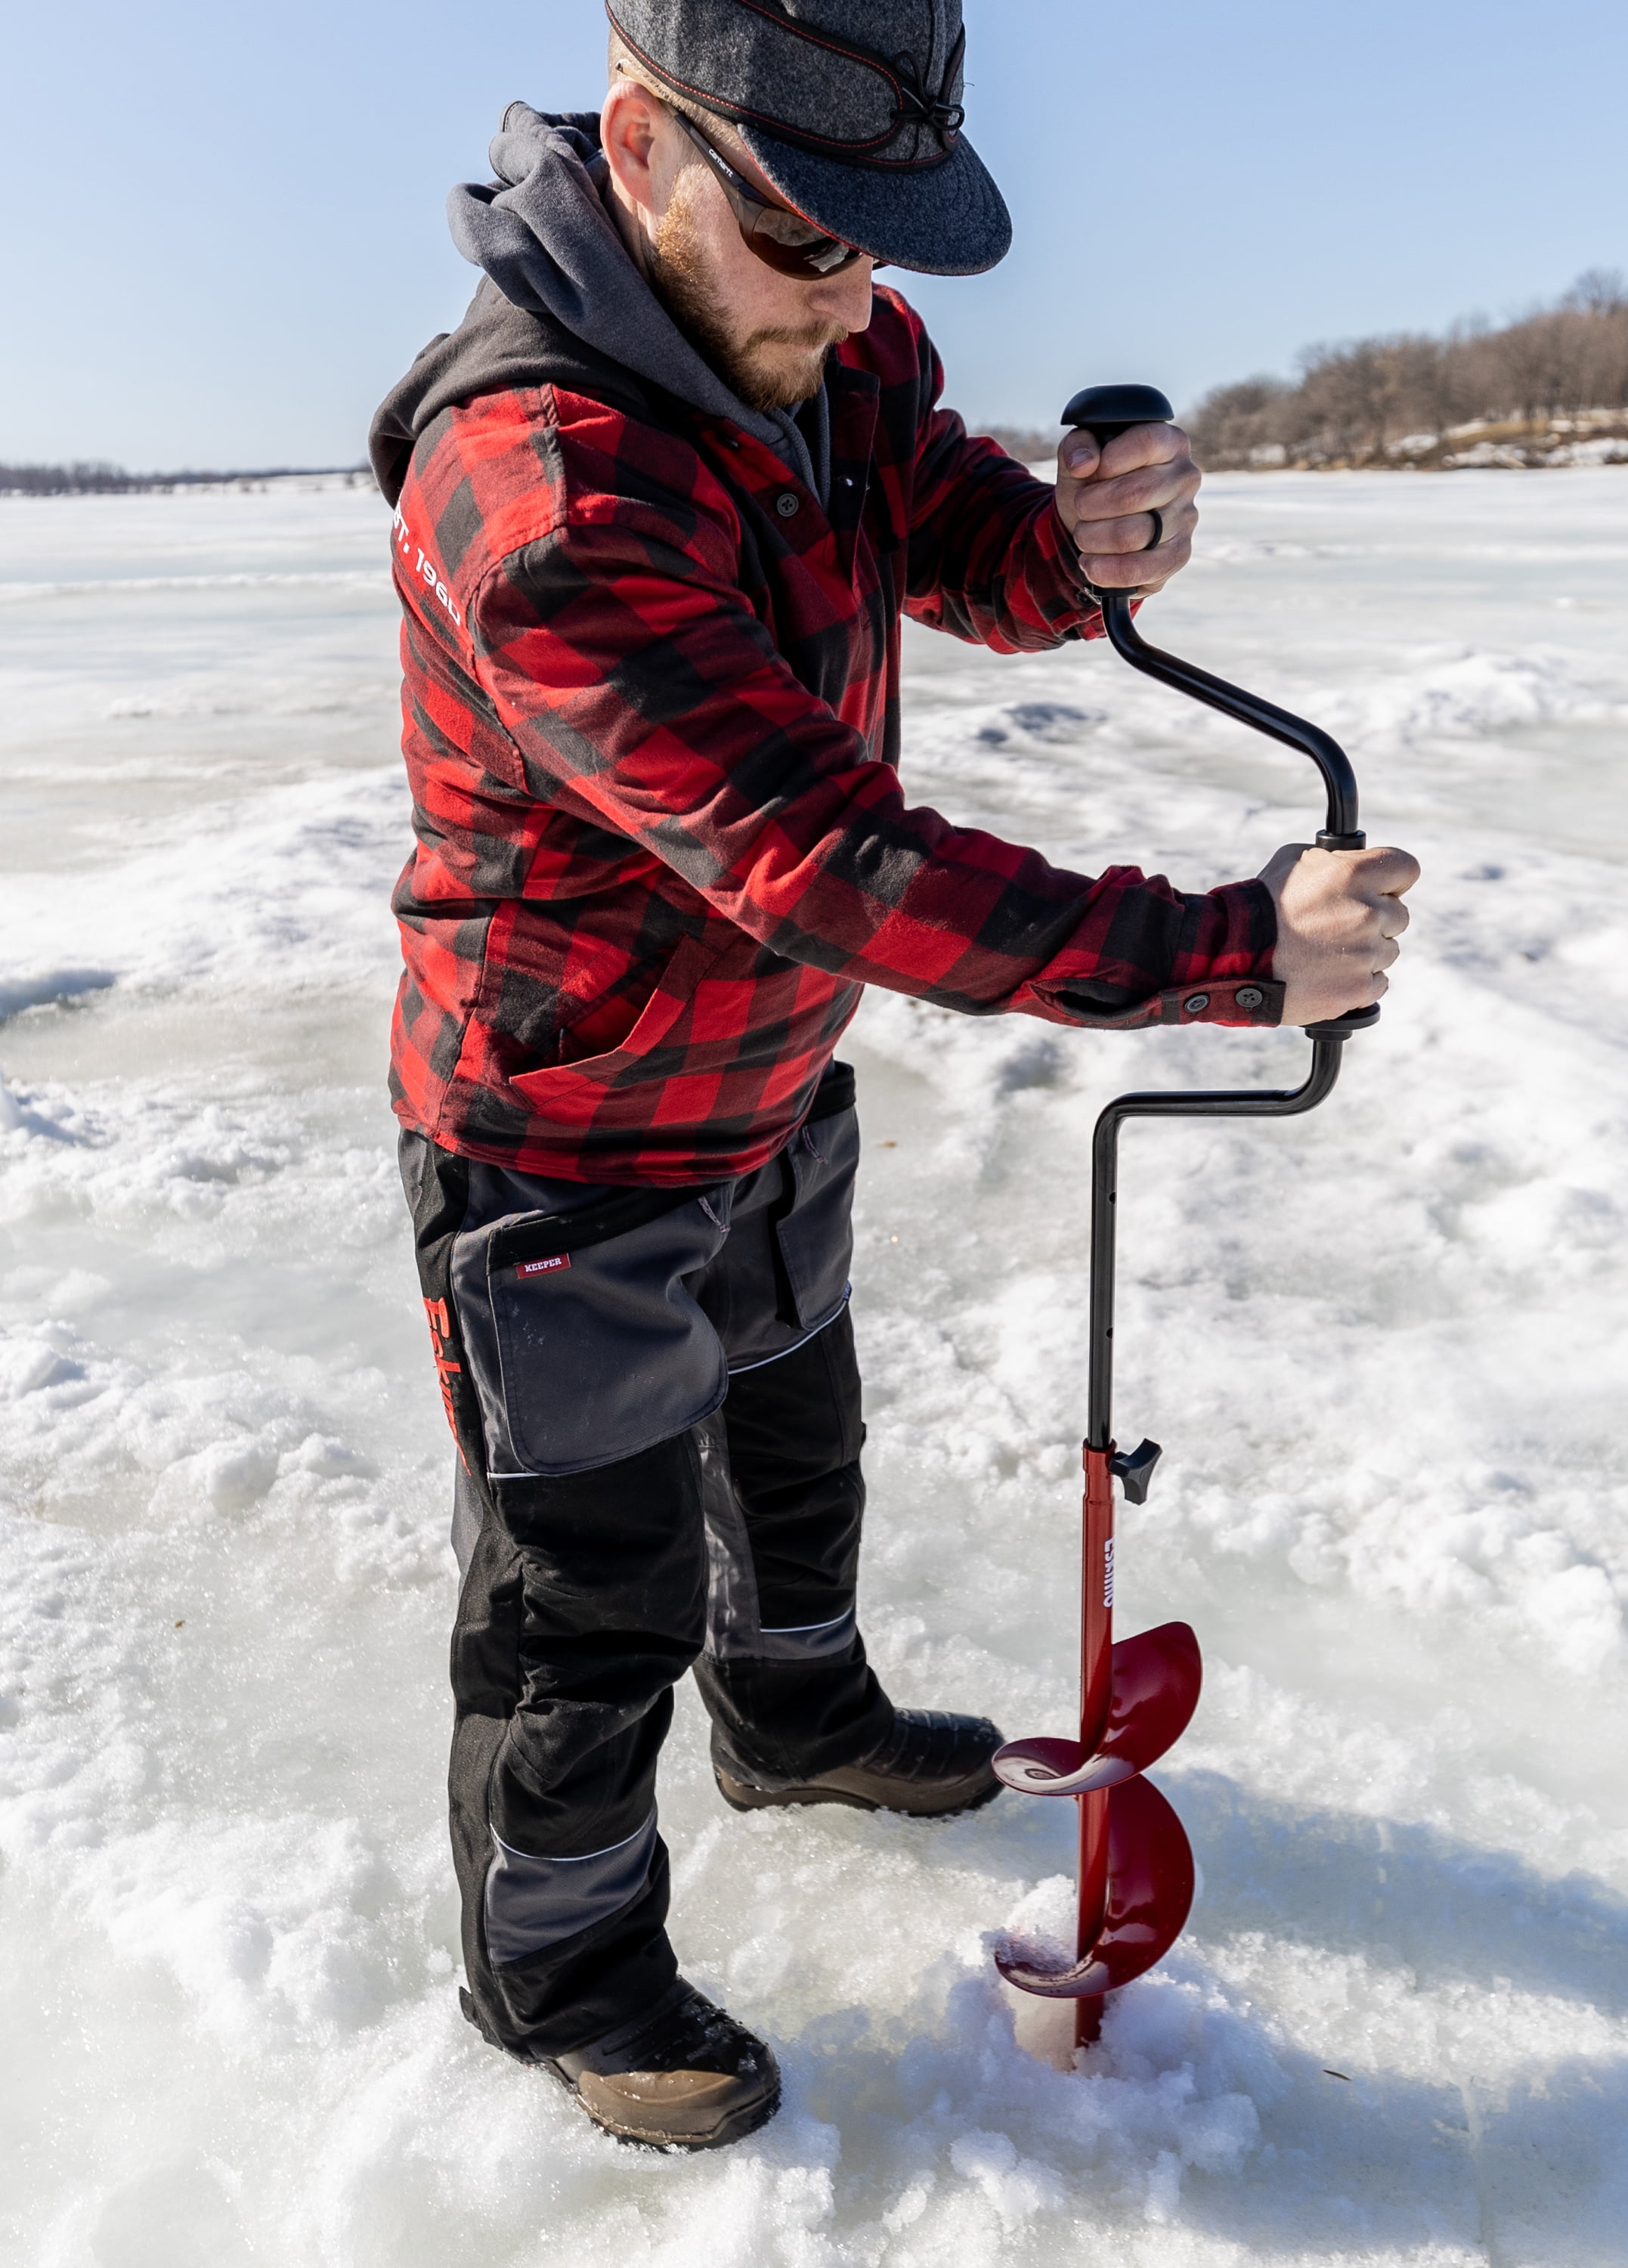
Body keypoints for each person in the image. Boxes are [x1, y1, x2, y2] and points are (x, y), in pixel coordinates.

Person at [369, 0, 1419, 2152]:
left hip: (764, 1093)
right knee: (590, 1609)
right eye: (801, 240)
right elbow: (816, 856)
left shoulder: (830, 332)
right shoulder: (541, 487)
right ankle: (556, 1969)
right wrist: (1223, 954)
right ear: (647, 144)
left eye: (876, 244)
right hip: (563, 1137)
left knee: (799, 1449)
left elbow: (943, 528)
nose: (850, 293)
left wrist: (1077, 556)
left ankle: (800, 1716)